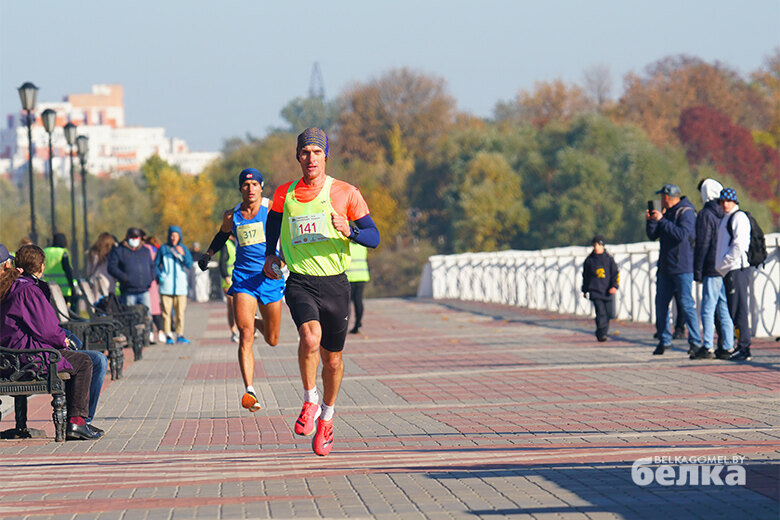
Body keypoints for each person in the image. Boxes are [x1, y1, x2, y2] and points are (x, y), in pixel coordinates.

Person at [263, 128, 380, 456]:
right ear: (297, 156)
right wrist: (271, 254)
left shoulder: (346, 192)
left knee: (333, 360)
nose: (311, 158)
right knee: (309, 337)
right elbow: (273, 225)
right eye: (305, 152)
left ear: (326, 156)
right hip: (300, 280)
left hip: (335, 284)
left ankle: (327, 417)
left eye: (317, 152)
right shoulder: (284, 193)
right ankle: (309, 400)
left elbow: (373, 236)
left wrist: (350, 230)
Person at [199, 168, 286, 412]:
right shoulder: (232, 215)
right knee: (245, 333)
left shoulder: (273, 209)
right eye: (246, 185)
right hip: (244, 278)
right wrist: (208, 254)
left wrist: (284, 259)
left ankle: (256, 323)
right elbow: (222, 235)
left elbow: (288, 235)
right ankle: (250, 391)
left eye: (254, 184)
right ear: (240, 189)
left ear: (261, 187)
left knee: (272, 339)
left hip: (270, 277)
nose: (250, 189)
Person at [0, 244, 101, 440]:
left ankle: (75, 422)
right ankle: (77, 423)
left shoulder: (9, 288)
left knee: (79, 358)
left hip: (6, 360)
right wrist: (63, 340)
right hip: (25, 360)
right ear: (7, 265)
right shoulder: (24, 289)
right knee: (84, 362)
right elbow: (47, 329)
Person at [646, 183, 702, 355]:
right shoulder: (667, 212)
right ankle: (664, 340)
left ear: (667, 197)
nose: (660, 200)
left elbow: (682, 235)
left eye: (662, 197)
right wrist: (651, 221)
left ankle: (695, 342)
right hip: (665, 267)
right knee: (661, 305)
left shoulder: (686, 212)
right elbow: (653, 236)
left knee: (686, 304)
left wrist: (662, 221)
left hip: (682, 266)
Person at [691, 179, 734, 360]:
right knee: (724, 308)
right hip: (725, 266)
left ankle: (707, 345)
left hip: (710, 266)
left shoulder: (705, 214)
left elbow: (703, 243)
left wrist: (698, 269)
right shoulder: (725, 213)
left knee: (708, 308)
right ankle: (728, 346)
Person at [715, 188, 753, 361]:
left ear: (735, 201)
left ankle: (744, 347)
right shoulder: (726, 218)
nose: (725, 204)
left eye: (728, 201)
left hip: (737, 268)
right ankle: (741, 345)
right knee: (733, 310)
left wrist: (726, 261)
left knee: (739, 309)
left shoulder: (739, 217)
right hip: (729, 270)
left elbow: (740, 245)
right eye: (722, 201)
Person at [156, 226, 193, 344]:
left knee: (180, 313)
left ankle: (180, 334)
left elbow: (189, 264)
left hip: (180, 287)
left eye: (176, 235)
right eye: (172, 235)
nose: (173, 238)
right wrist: (161, 277)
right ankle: (168, 335)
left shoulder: (183, 248)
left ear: (179, 236)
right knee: (166, 313)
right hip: (166, 287)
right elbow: (155, 265)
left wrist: (183, 254)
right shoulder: (163, 249)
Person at [107, 227, 156, 311]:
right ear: (127, 237)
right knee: (130, 315)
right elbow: (111, 267)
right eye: (132, 237)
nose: (134, 239)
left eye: (136, 237)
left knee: (147, 316)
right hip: (128, 291)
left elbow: (152, 266)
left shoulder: (145, 251)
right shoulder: (119, 250)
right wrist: (124, 277)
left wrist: (150, 278)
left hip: (144, 290)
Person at [581, 235, 619, 342]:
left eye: (599, 245)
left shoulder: (609, 259)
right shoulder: (589, 260)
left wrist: (614, 286)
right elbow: (586, 276)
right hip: (595, 290)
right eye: (595, 245)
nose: (597, 247)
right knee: (601, 313)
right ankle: (602, 334)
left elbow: (615, 274)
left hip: (607, 290)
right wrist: (585, 290)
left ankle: (602, 332)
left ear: (603, 246)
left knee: (608, 314)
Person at [143, 234, 165, 344]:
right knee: (156, 309)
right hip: (154, 282)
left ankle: (151, 332)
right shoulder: (157, 249)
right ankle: (160, 332)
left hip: (145, 282)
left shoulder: (144, 250)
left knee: (148, 311)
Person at [44, 233, 75, 307]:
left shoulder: (45, 251)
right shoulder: (63, 252)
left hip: (47, 288)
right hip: (63, 289)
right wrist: (72, 286)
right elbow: (68, 271)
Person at [346, 242, 370, 334]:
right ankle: (358, 324)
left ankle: (344, 325)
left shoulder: (346, 244)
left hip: (349, 277)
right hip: (361, 276)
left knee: (346, 303)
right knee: (358, 301)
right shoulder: (362, 245)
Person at [218, 235, 239, 342]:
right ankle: (234, 330)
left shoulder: (239, 243)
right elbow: (222, 262)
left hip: (239, 279)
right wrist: (225, 275)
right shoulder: (226, 244)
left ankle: (247, 328)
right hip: (228, 280)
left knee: (241, 305)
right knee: (232, 305)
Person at [87, 232, 118, 299]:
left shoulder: (93, 252)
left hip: (96, 279)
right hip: (109, 279)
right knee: (109, 301)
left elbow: (89, 270)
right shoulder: (112, 252)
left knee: (97, 300)